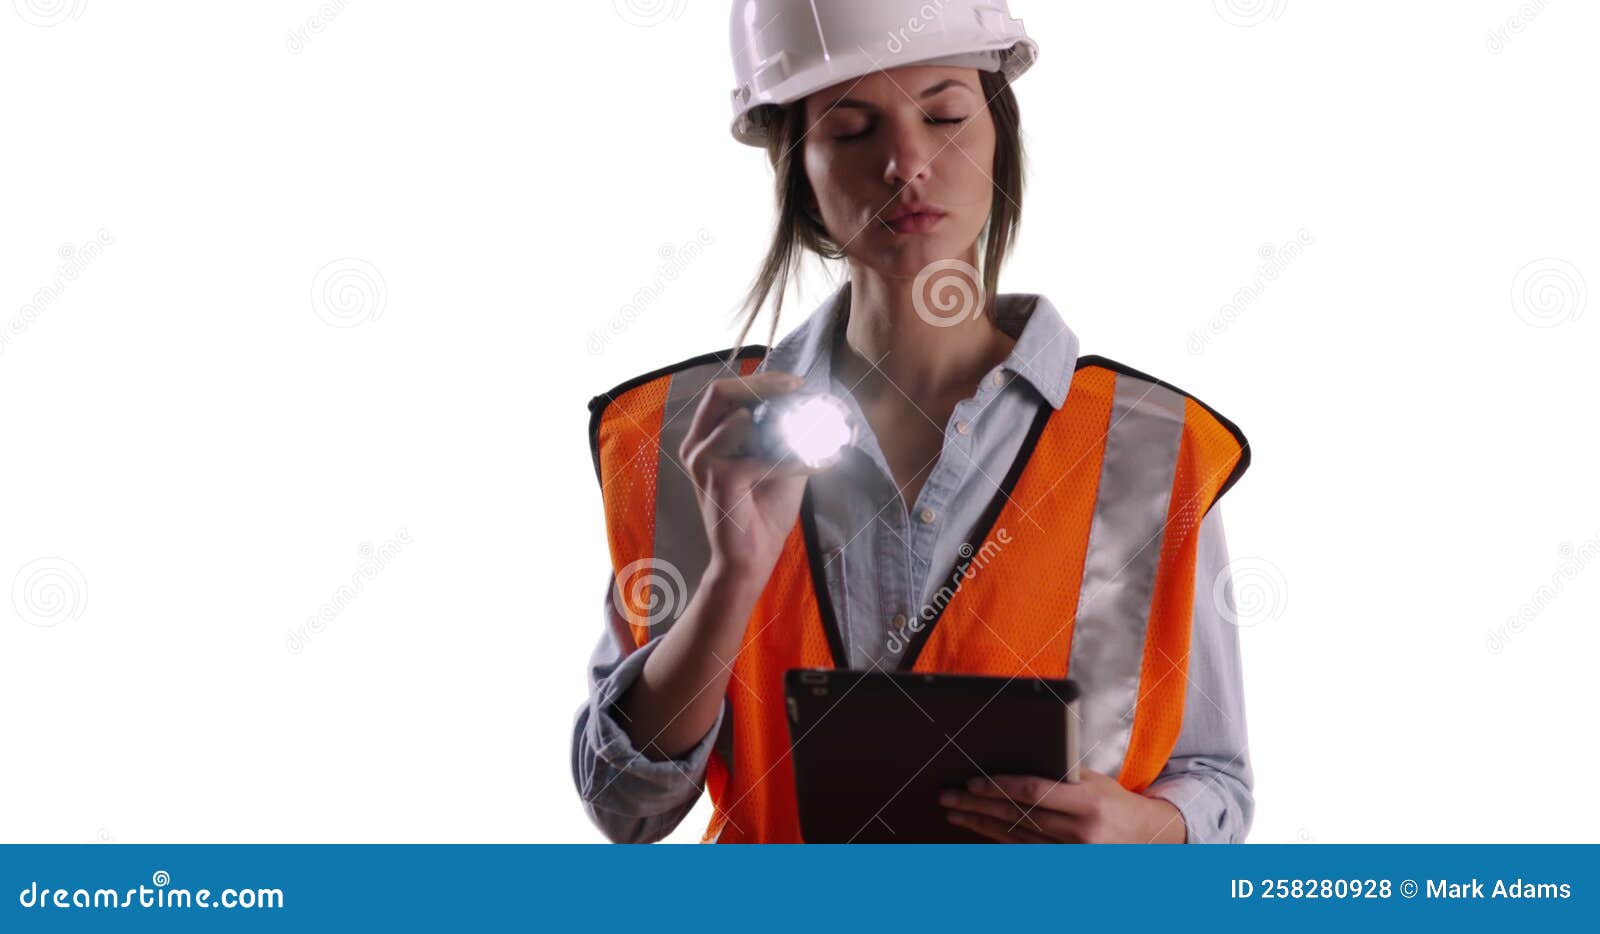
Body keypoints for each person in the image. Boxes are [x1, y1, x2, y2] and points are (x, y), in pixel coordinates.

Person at [571, 0, 1254, 844]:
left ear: (999, 130)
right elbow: (624, 809)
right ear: (796, 165)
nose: (906, 163)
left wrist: (1149, 831)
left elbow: (1216, 782)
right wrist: (729, 584)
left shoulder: (1151, 447)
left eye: (944, 114)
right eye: (853, 129)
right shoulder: (687, 440)